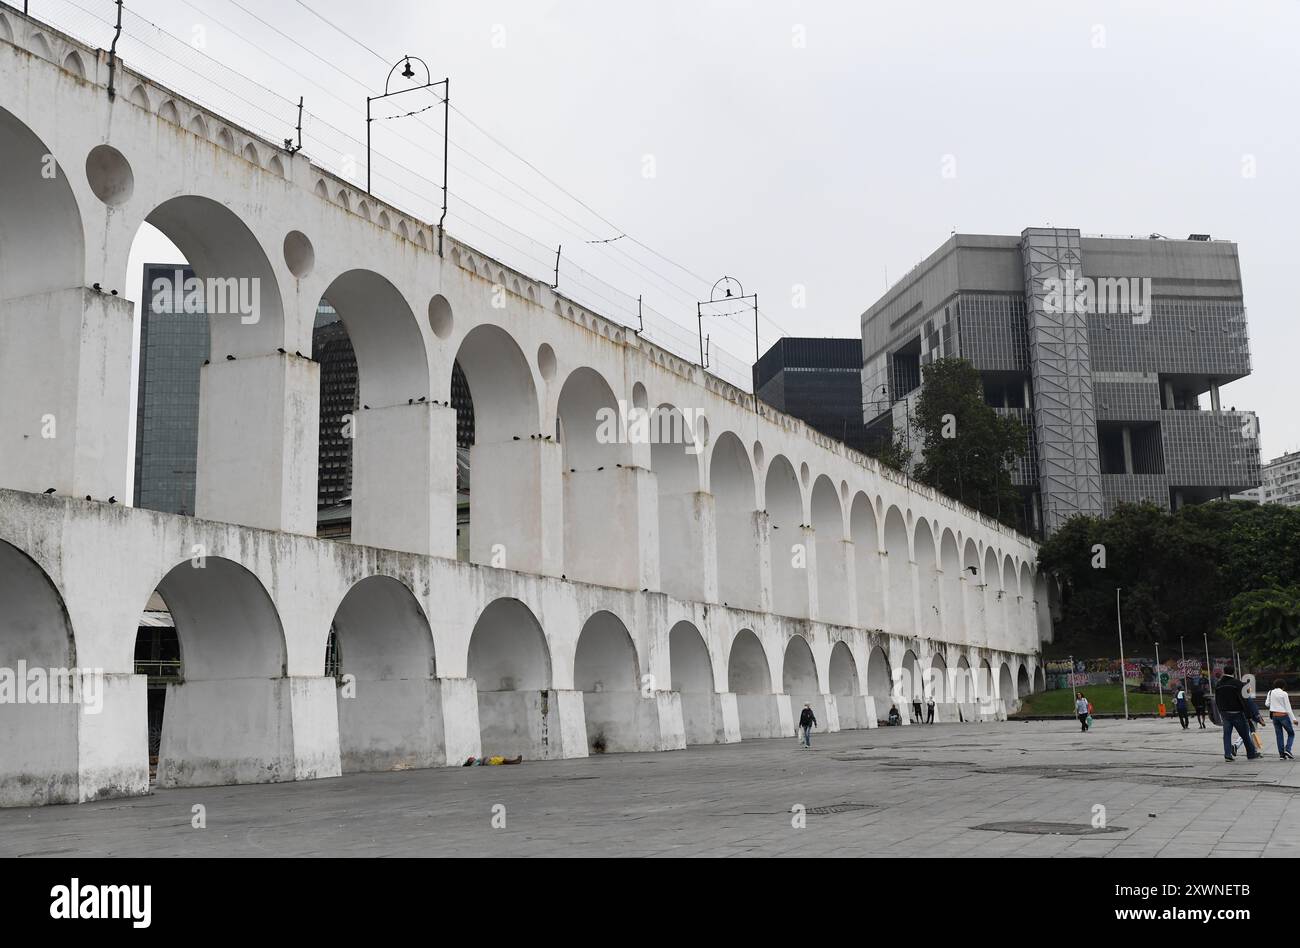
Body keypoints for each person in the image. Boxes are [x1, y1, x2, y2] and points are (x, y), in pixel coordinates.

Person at [1215, 665, 1260, 761]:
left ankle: (1227, 754)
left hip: (1224, 713)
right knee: (1244, 734)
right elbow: (1245, 700)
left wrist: (1221, 711)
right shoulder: (1237, 683)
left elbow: (1217, 699)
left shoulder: (1219, 684)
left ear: (1224, 672)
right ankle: (1251, 753)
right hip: (1237, 712)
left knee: (1226, 734)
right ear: (1233, 672)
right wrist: (1249, 714)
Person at [1266, 679, 1298, 760]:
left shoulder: (1270, 692)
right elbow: (1288, 707)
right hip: (1283, 716)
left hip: (1274, 716)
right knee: (1291, 733)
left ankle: (1281, 755)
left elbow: (1267, 704)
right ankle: (1288, 750)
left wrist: (1274, 705)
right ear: (1283, 686)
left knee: (1279, 735)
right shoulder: (1284, 694)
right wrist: (1293, 719)